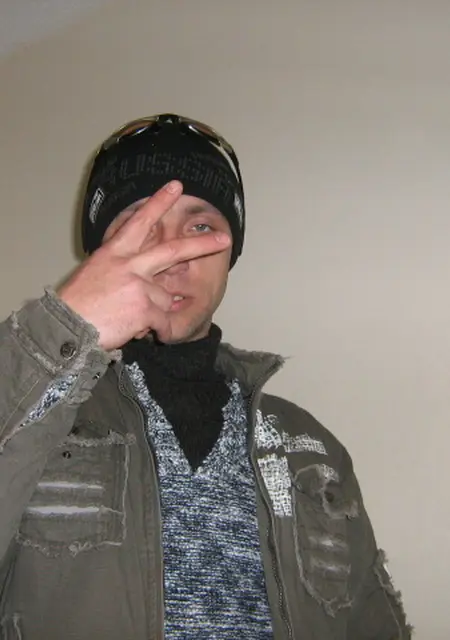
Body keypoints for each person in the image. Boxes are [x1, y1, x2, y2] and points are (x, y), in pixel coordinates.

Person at [0, 113, 410, 639]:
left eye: (199, 227)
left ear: (231, 249)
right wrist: (62, 328)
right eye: (141, 226)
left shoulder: (312, 451)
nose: (174, 258)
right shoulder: (40, 410)